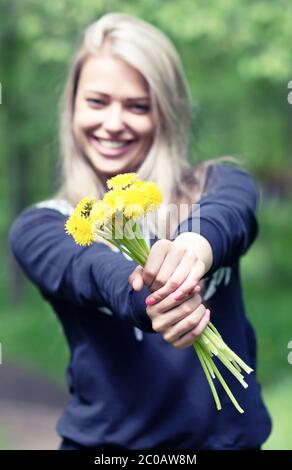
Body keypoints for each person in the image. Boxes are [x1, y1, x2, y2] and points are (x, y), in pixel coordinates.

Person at [9, 13, 271, 450]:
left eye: (137, 106)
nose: (114, 123)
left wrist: (192, 249)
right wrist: (148, 301)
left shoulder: (218, 185)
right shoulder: (42, 225)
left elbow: (229, 215)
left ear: (165, 112)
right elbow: (91, 269)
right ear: (71, 107)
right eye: (97, 101)